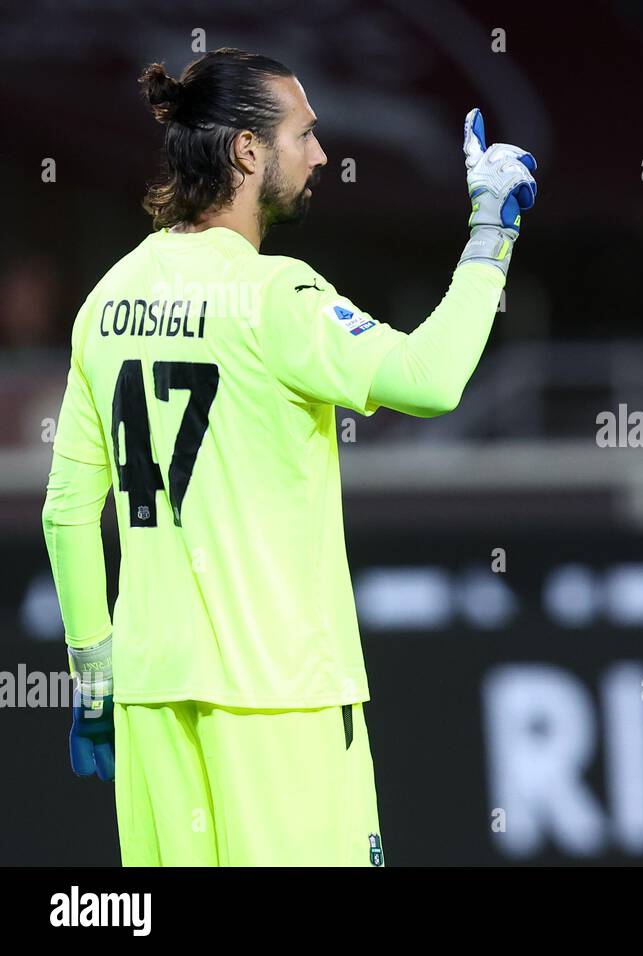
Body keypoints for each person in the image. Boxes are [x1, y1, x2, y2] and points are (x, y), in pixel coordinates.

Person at [40, 48, 538, 865]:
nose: (321, 156)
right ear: (246, 150)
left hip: (152, 701)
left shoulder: (106, 300)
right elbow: (430, 378)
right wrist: (492, 231)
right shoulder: (277, 297)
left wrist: (96, 682)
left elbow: (67, 514)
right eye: (304, 135)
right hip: (279, 701)